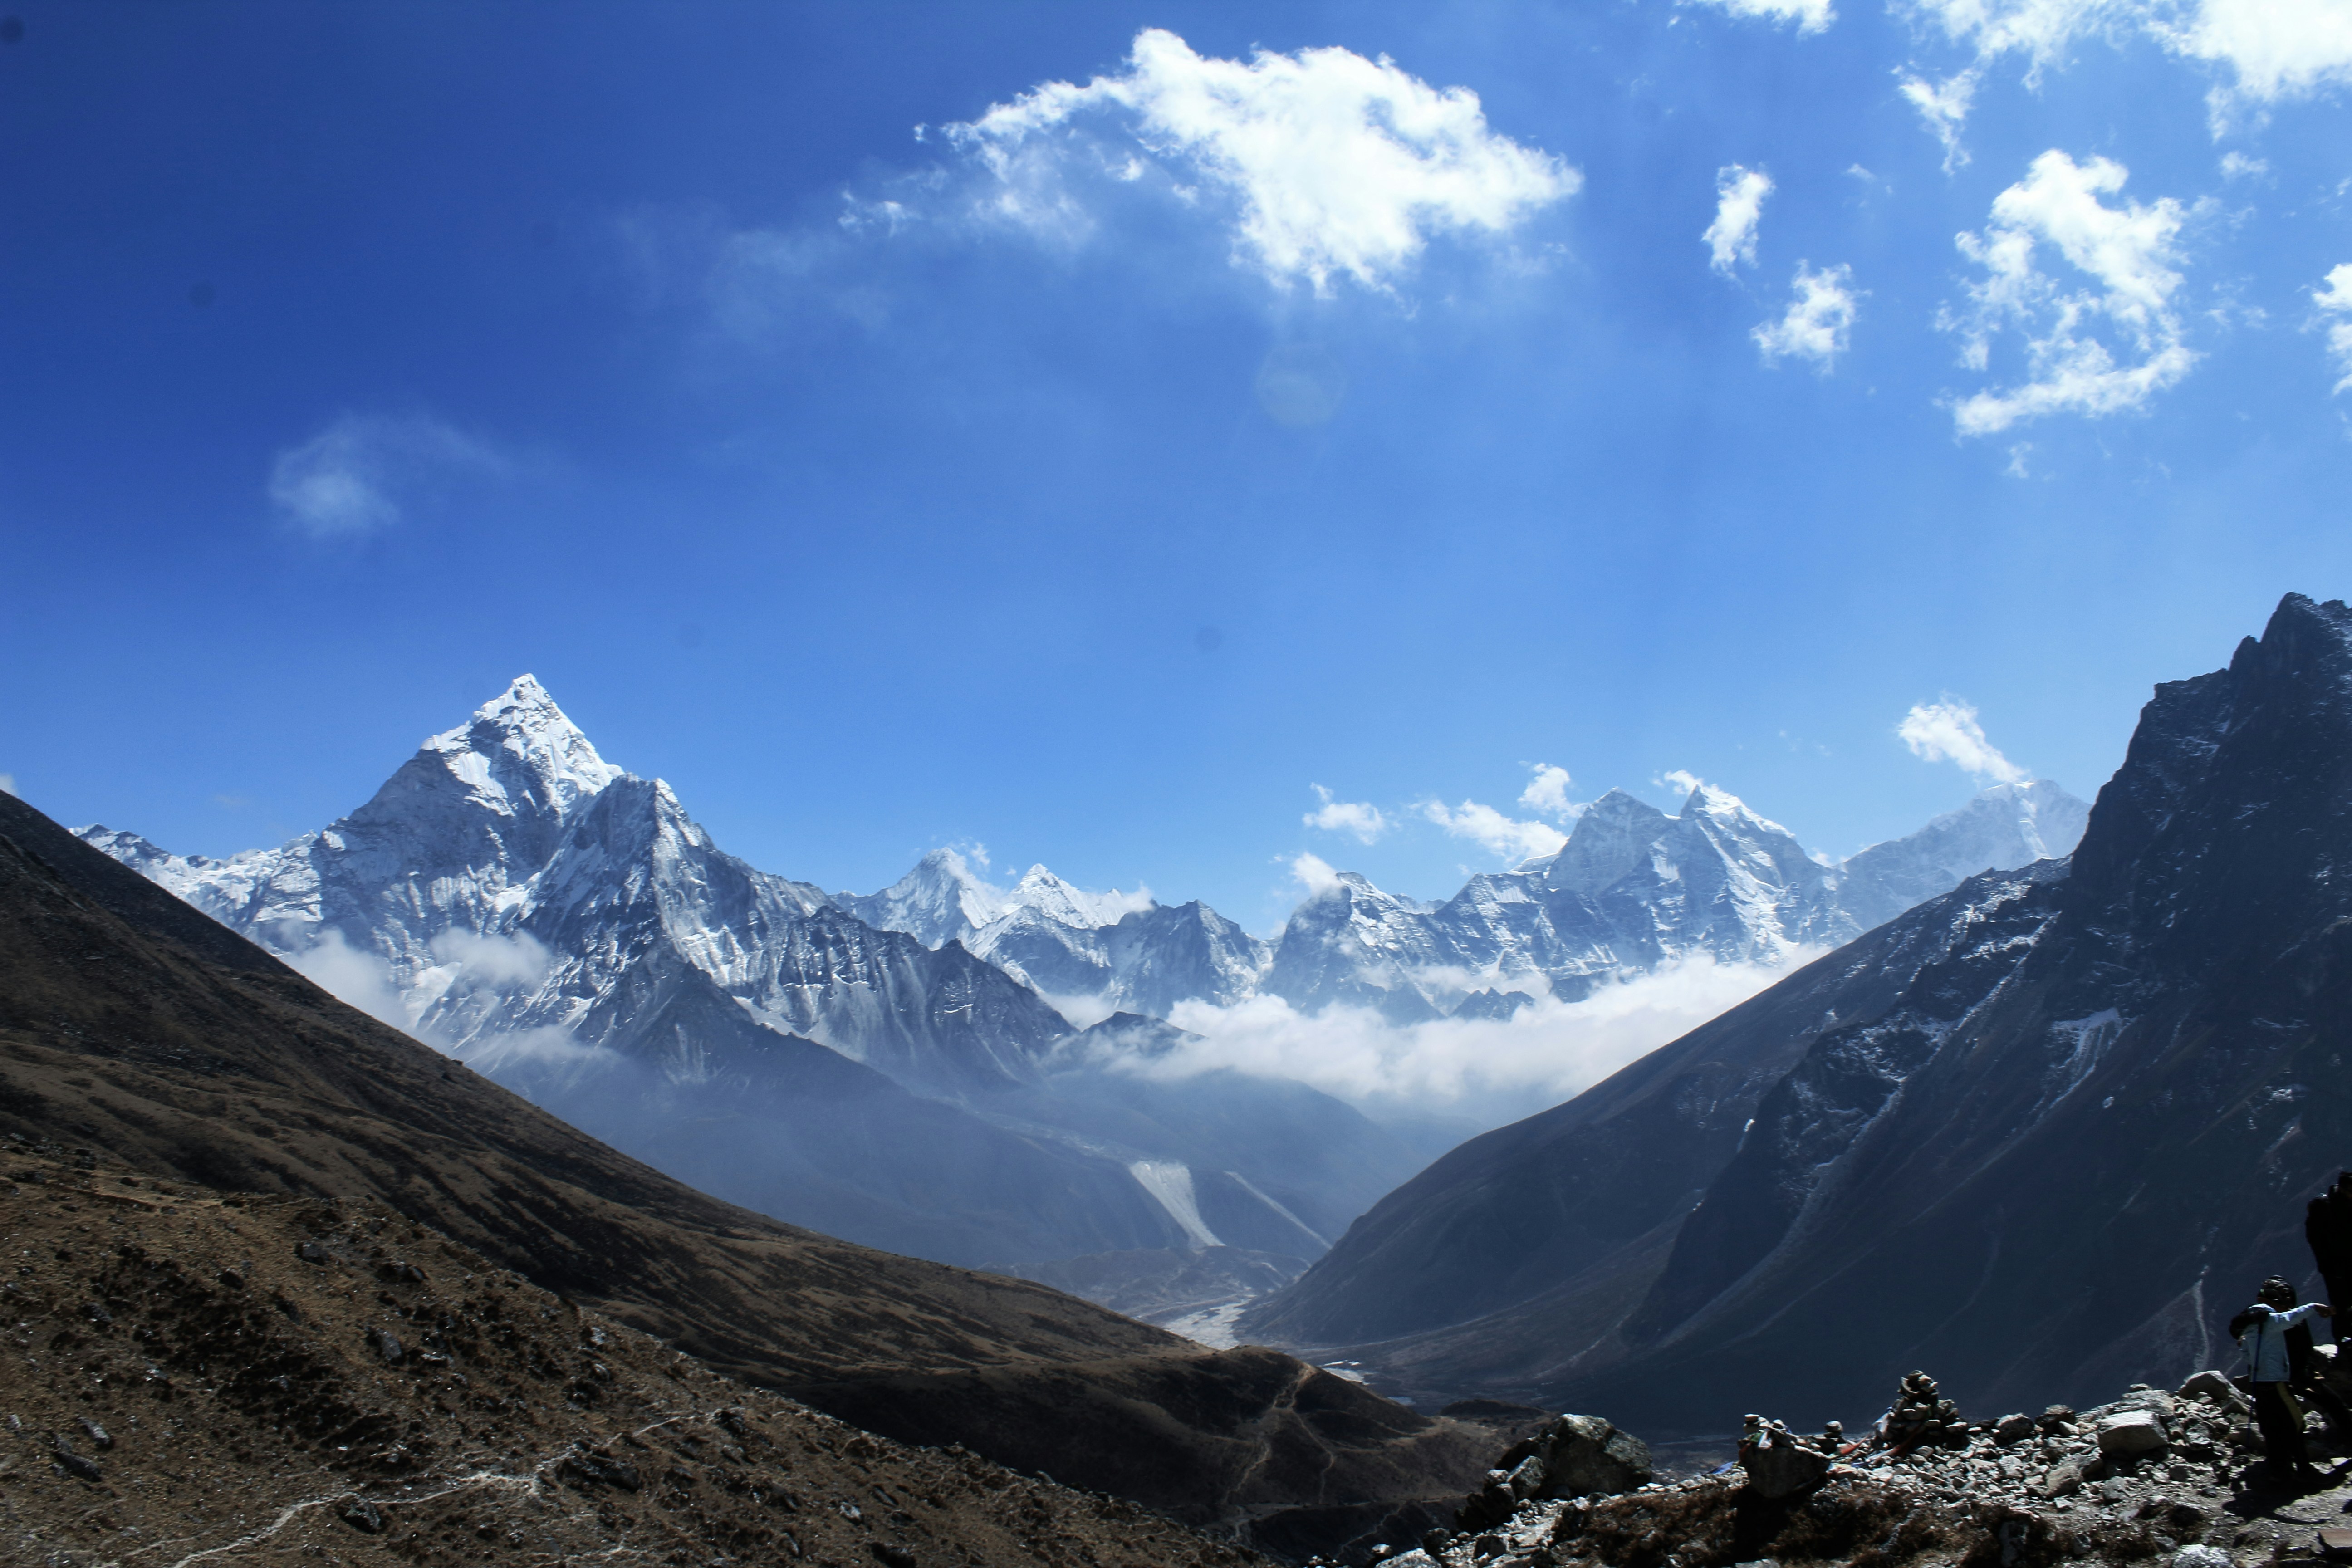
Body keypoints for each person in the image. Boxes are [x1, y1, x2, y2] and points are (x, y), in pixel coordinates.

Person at [2234, 1281, 2338, 1489]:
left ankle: (2279, 1473)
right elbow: (2292, 1318)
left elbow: (2245, 1352)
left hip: (2259, 1385)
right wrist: (2315, 1307)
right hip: (2277, 1383)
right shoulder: (2271, 1320)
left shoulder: (2249, 1328)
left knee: (2271, 1428)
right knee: (2296, 1424)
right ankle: (2305, 1472)